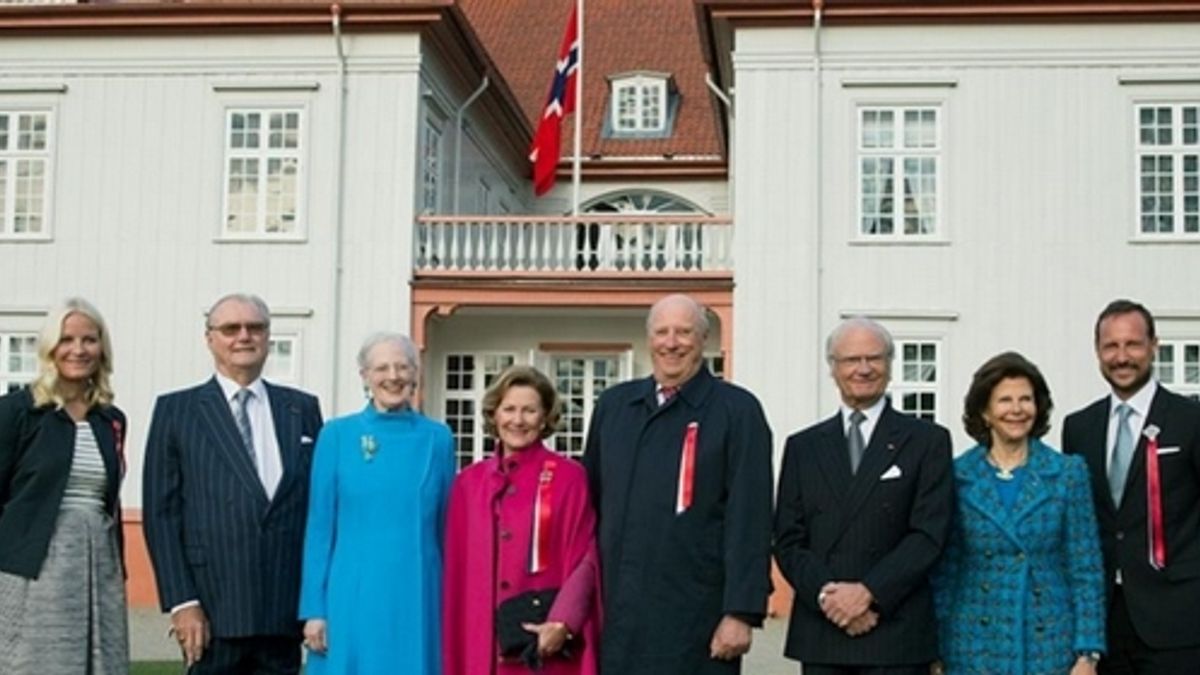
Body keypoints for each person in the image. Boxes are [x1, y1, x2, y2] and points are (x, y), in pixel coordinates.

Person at [582, 294, 772, 675]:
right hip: (619, 613)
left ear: (704, 340)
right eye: (662, 332)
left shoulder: (737, 411)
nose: (672, 342)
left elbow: (750, 518)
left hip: (697, 620)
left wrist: (741, 612)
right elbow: (590, 507)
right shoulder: (614, 406)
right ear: (649, 338)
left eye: (684, 332)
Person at [143, 293, 323, 674]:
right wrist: (181, 601)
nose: (244, 336)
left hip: (282, 609)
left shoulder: (302, 409)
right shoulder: (177, 411)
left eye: (255, 327)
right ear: (210, 338)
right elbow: (161, 515)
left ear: (268, 337)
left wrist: (315, 603)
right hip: (213, 610)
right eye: (230, 328)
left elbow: (316, 508)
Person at [774, 316, 954, 674]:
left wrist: (869, 593)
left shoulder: (927, 440)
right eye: (851, 360)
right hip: (824, 630)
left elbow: (929, 534)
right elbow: (788, 539)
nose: (863, 368)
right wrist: (828, 596)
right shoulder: (803, 446)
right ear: (833, 368)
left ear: (889, 365)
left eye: (874, 358)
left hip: (895, 629)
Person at [934, 351, 1105, 674]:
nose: (1016, 409)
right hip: (972, 643)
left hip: (1050, 642)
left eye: (1025, 399)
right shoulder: (957, 476)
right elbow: (945, 572)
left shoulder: (1068, 473)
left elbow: (1086, 570)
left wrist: (1088, 653)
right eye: (1004, 400)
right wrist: (935, 650)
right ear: (984, 411)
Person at [300, 332, 455, 674]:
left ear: (416, 374)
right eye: (382, 367)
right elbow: (320, 526)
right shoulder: (337, 435)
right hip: (351, 593)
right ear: (365, 376)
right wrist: (314, 609)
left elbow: (447, 528)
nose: (393, 376)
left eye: (403, 366)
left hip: (419, 591)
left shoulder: (439, 438)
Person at [1063, 299, 1200, 673]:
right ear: (1097, 352)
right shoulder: (1079, 427)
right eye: (1111, 346)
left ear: (1153, 346)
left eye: (1132, 344)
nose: (1122, 357)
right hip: (1105, 622)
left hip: (1179, 620)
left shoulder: (1190, 420)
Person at [443, 364, 600, 675]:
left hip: (543, 642)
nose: (517, 420)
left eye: (529, 410)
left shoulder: (570, 478)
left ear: (544, 418)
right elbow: (456, 574)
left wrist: (564, 621)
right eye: (509, 409)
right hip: (481, 644)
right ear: (494, 415)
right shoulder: (467, 484)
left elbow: (587, 556)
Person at [0, 297, 129, 674]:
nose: (78, 349)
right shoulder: (16, 412)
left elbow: (110, 500)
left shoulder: (111, 419)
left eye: (89, 340)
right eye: (67, 339)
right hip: (34, 565)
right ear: (50, 347)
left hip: (99, 560)